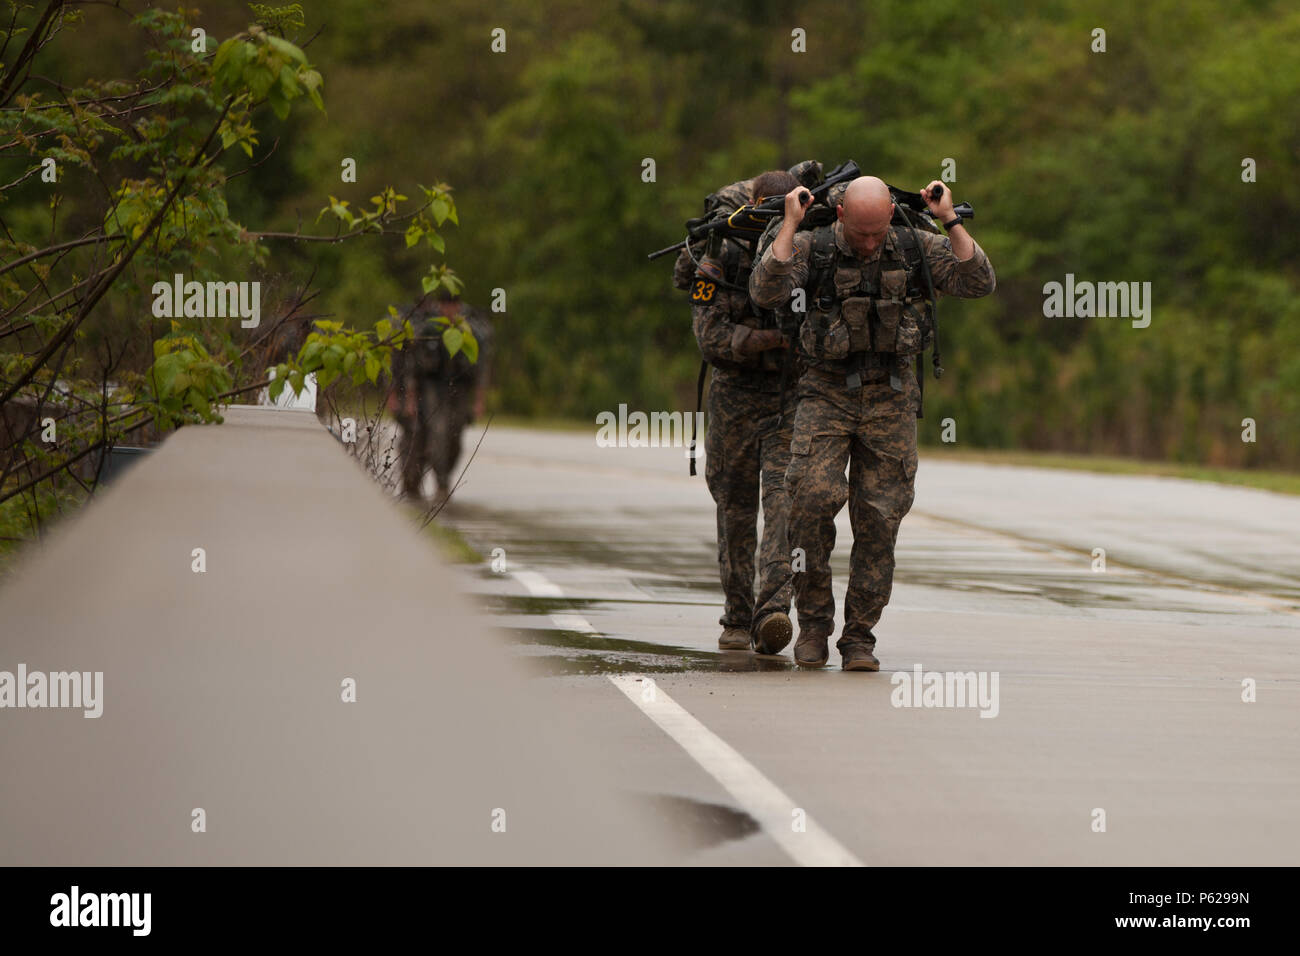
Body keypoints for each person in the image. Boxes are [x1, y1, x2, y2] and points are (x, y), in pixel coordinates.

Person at [749, 176, 995, 670]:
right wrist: (791, 224)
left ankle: (859, 637)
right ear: (841, 214)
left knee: (880, 519)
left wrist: (949, 220)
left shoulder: (911, 245)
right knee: (809, 504)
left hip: (891, 395)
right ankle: (813, 627)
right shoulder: (815, 247)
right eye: (860, 234)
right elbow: (766, 290)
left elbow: (978, 282)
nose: (868, 244)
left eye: (877, 233)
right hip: (825, 391)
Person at [675, 169, 801, 654]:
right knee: (734, 508)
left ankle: (772, 610)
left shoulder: (803, 247)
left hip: (788, 396)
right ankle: (736, 615)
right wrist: (773, 339)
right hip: (735, 399)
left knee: (784, 504)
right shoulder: (720, 252)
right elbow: (710, 338)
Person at [388, 293, 492, 500]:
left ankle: (442, 478)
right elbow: (412, 367)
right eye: (445, 305)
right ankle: (437, 482)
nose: (449, 310)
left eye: (453, 305)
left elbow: (481, 369)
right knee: (437, 432)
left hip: (459, 390)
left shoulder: (470, 332)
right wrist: (409, 398)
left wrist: (479, 401)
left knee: (455, 435)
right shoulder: (428, 330)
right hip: (432, 388)